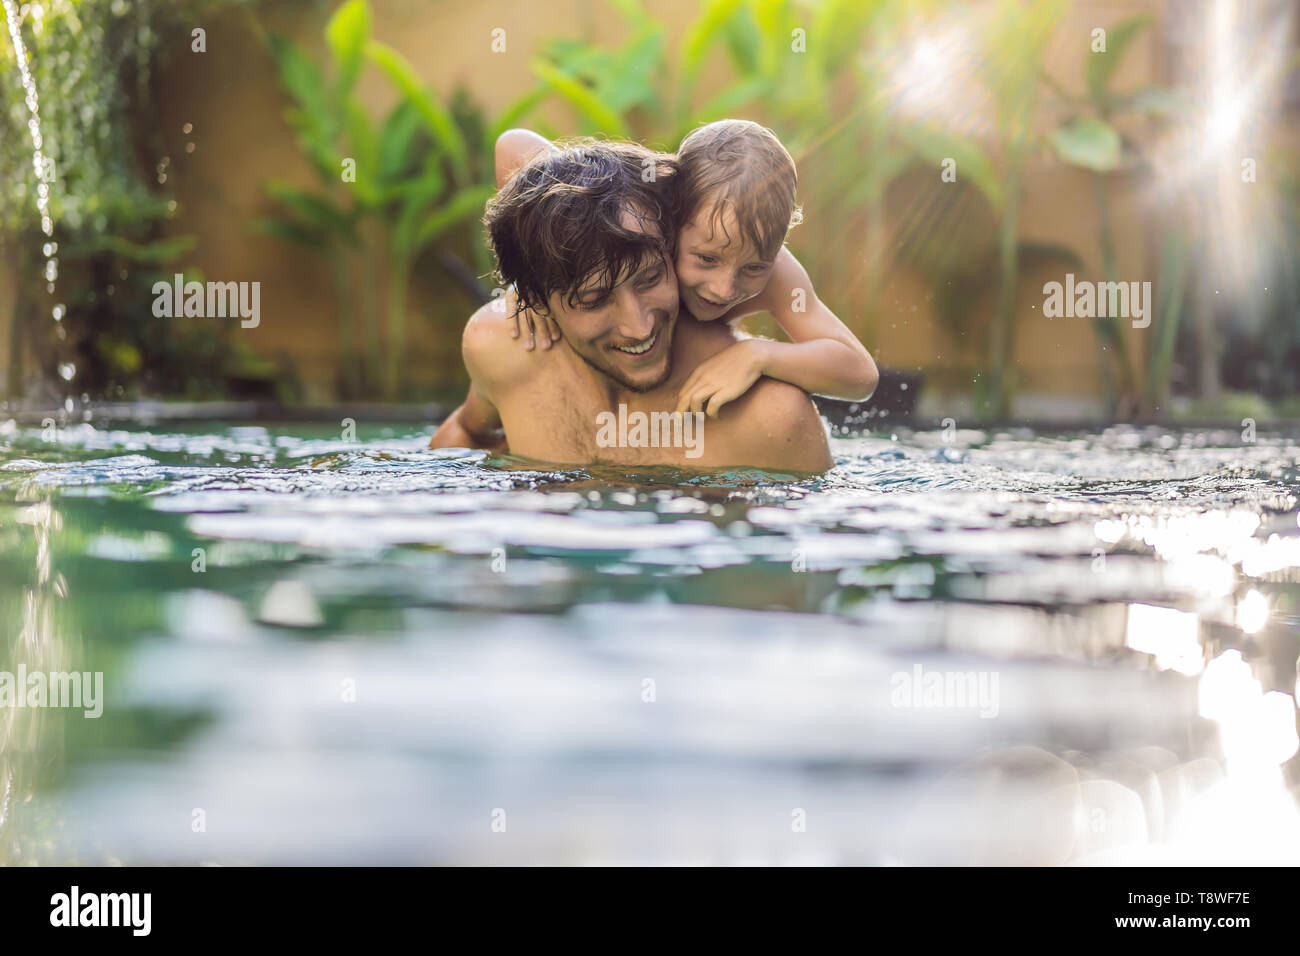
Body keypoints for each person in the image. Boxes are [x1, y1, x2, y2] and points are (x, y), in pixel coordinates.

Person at [428, 139, 833, 471]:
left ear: (671, 246)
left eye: (651, 279)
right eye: (593, 300)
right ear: (538, 298)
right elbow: (465, 437)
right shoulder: (501, 346)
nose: (639, 329)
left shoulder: (772, 421)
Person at [494, 120, 878, 417]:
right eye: (706, 259)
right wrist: (533, 273)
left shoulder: (779, 275)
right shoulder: (644, 206)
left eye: (753, 267)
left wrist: (758, 356)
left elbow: (860, 373)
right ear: (669, 210)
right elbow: (512, 144)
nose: (724, 289)